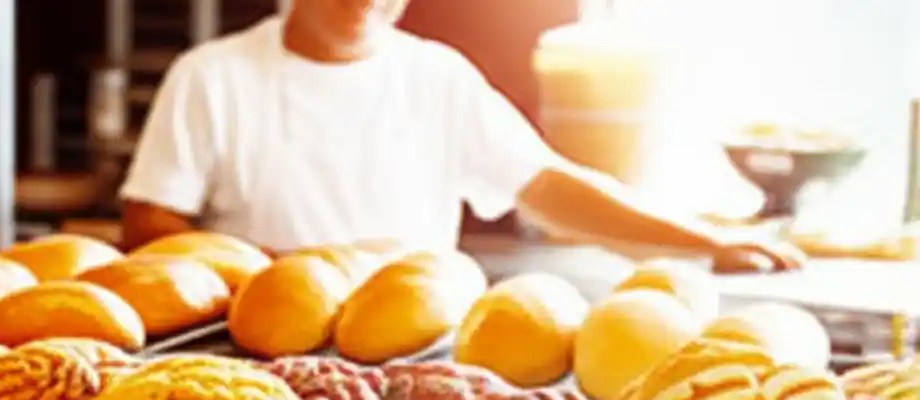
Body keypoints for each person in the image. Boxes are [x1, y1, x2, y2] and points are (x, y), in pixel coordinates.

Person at [118, 0, 805, 273]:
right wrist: (299, 272)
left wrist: (703, 240)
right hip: (259, 358)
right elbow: (149, 224)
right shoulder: (213, 76)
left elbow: (551, 188)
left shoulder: (435, 75)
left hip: (419, 348)